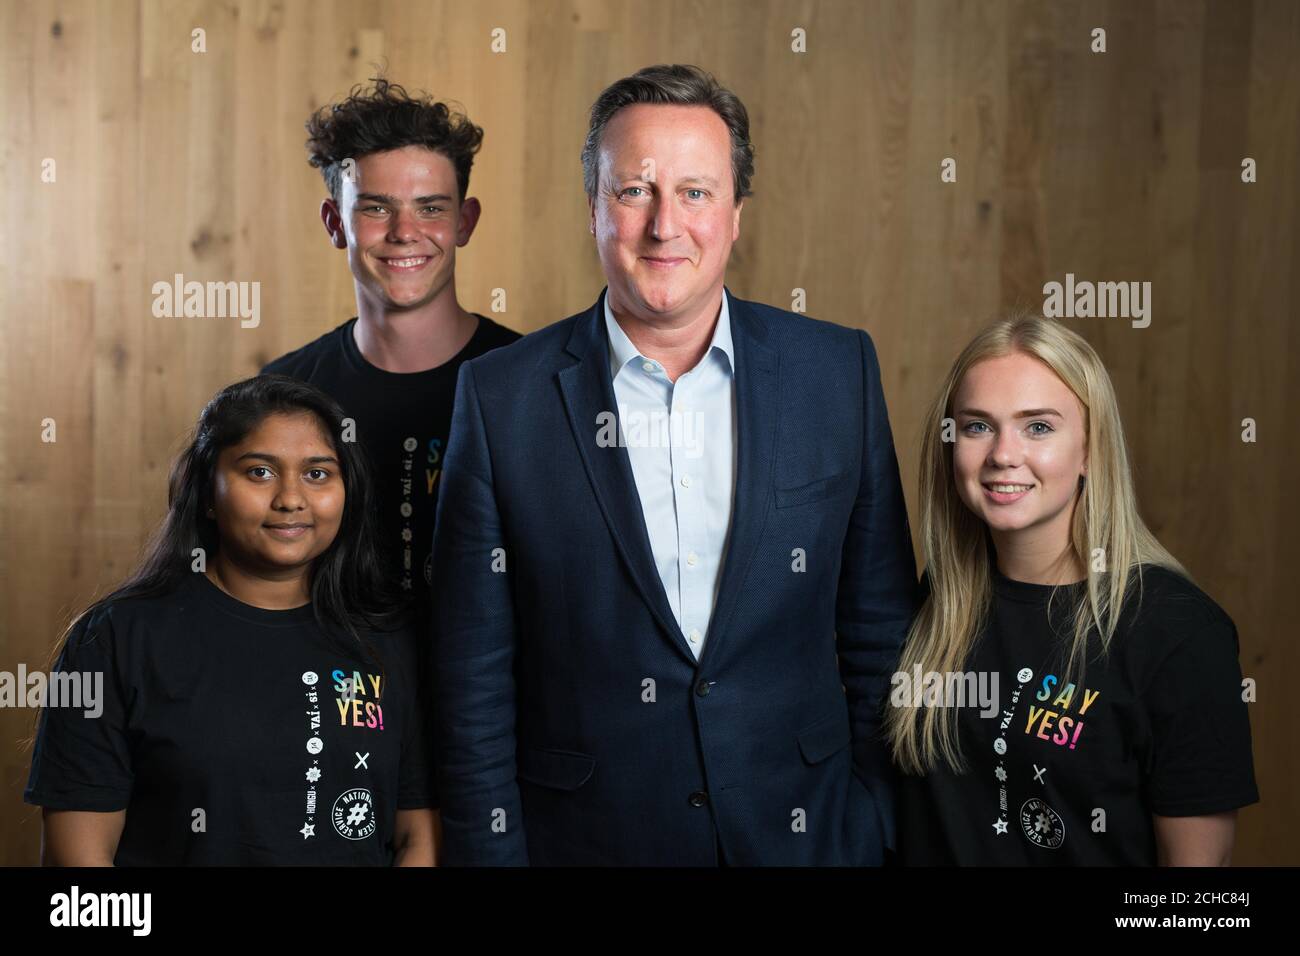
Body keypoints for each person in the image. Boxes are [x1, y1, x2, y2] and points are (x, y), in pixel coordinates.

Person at [432, 64, 917, 865]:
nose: (666, 226)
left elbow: (881, 632)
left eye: (695, 192)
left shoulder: (837, 374)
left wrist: (873, 820)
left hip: (809, 838)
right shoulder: (499, 399)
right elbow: (472, 679)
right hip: (587, 845)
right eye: (634, 192)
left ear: (734, 215)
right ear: (592, 207)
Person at [890, 315, 1259, 865]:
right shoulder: (941, 600)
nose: (1003, 455)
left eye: (1038, 427)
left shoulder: (1177, 633)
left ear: (1090, 449)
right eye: (977, 426)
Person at [25, 376, 438, 865]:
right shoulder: (115, 640)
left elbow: (419, 836)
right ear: (205, 491)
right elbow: (78, 861)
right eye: (259, 472)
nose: (290, 498)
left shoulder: (390, 638)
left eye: (318, 474)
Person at [262, 78, 519, 617]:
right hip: (332, 691)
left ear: (464, 222)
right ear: (336, 224)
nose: (405, 232)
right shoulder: (281, 399)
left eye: (430, 209)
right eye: (376, 209)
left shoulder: (531, 385)